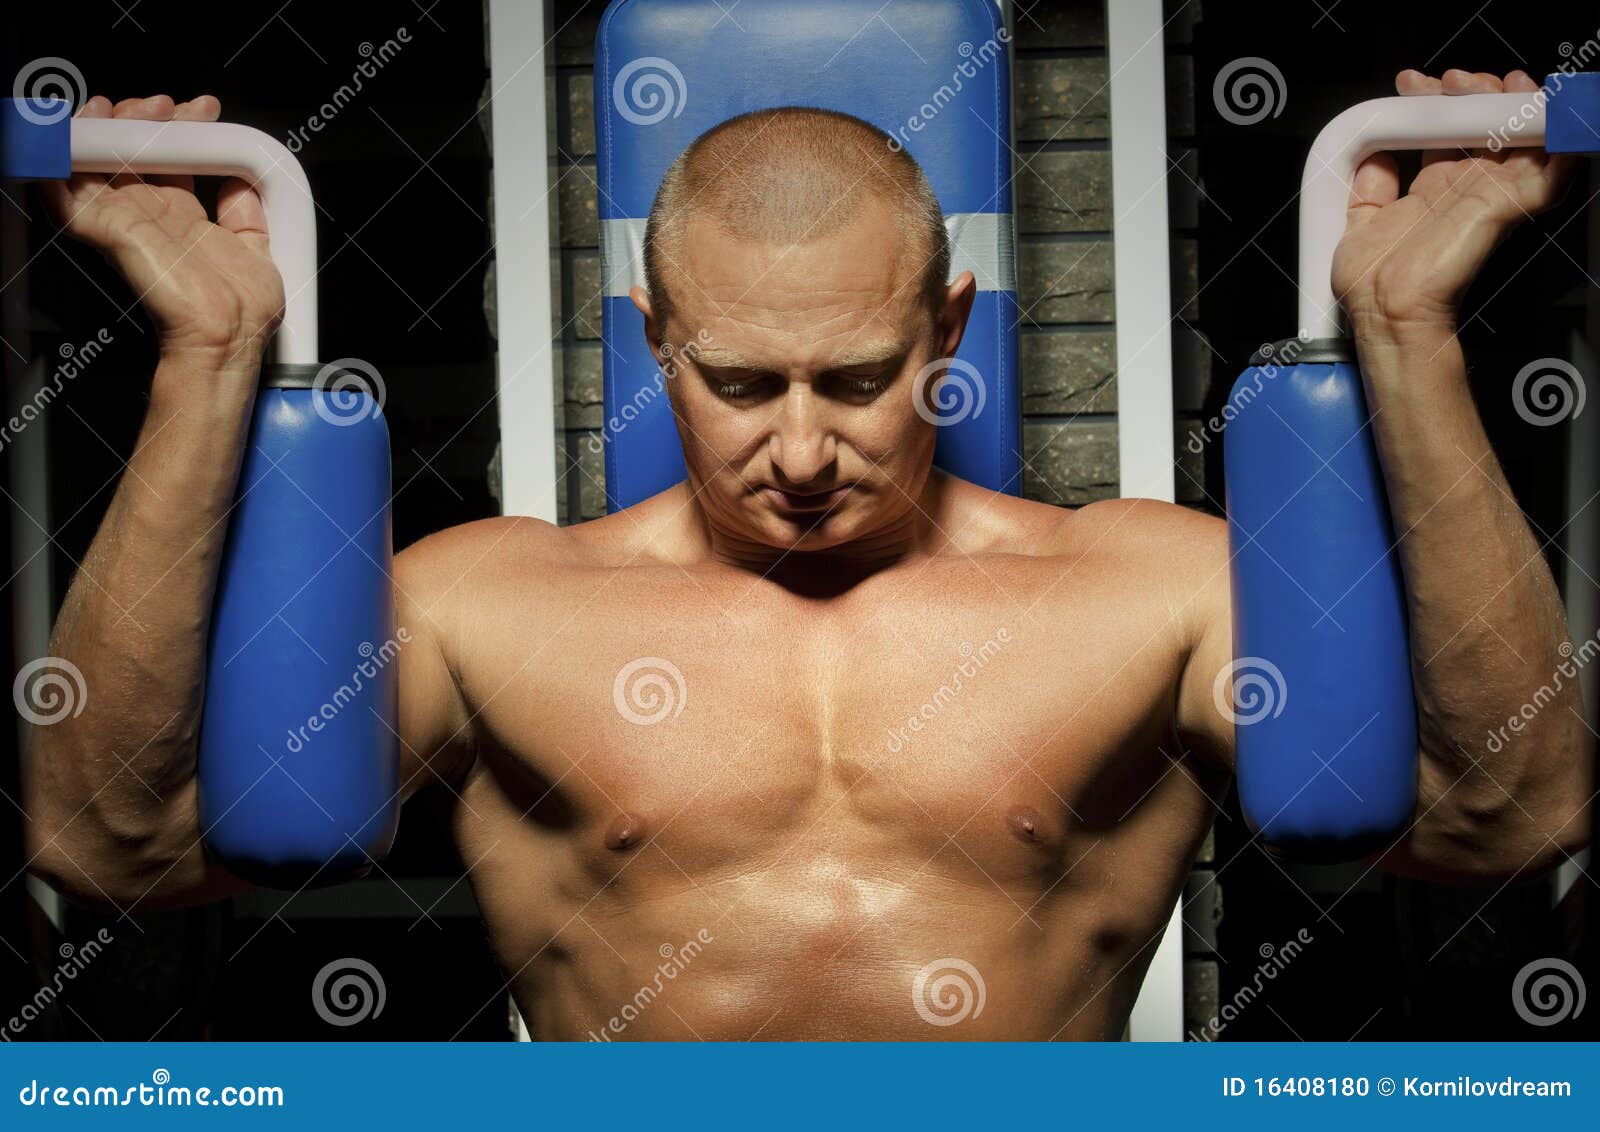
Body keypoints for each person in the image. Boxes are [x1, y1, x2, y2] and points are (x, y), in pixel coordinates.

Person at [23, 69, 1592, 1040]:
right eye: (737, 382)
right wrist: (209, 354)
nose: (796, 451)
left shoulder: (1150, 589)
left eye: (852, 381)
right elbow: (122, 850)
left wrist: (1405, 330)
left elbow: (1504, 817)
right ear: (653, 347)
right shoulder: (487, 604)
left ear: (947, 335)